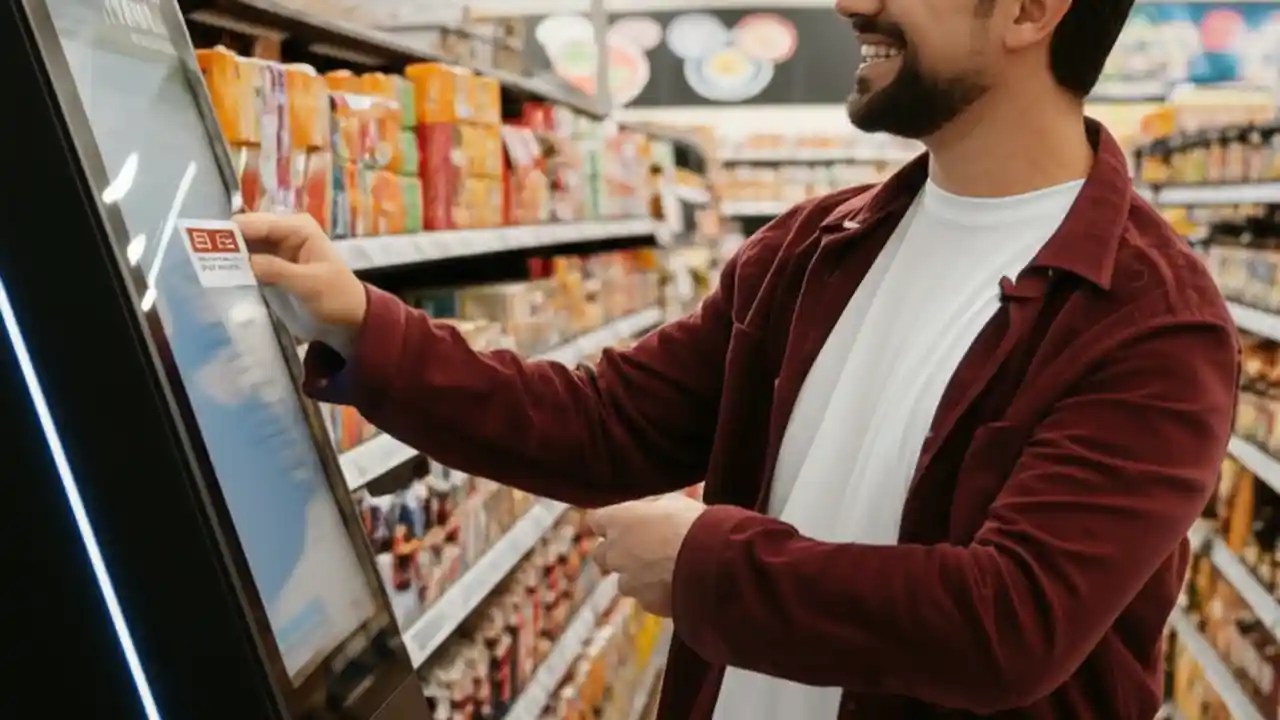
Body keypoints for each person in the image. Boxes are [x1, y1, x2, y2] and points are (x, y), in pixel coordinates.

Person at [239, 0, 1238, 714]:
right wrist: (362, 324)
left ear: (1027, 12)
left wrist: (702, 564)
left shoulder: (1146, 319)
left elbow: (1010, 622)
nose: (850, 6)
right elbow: (605, 424)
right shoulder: (814, 248)